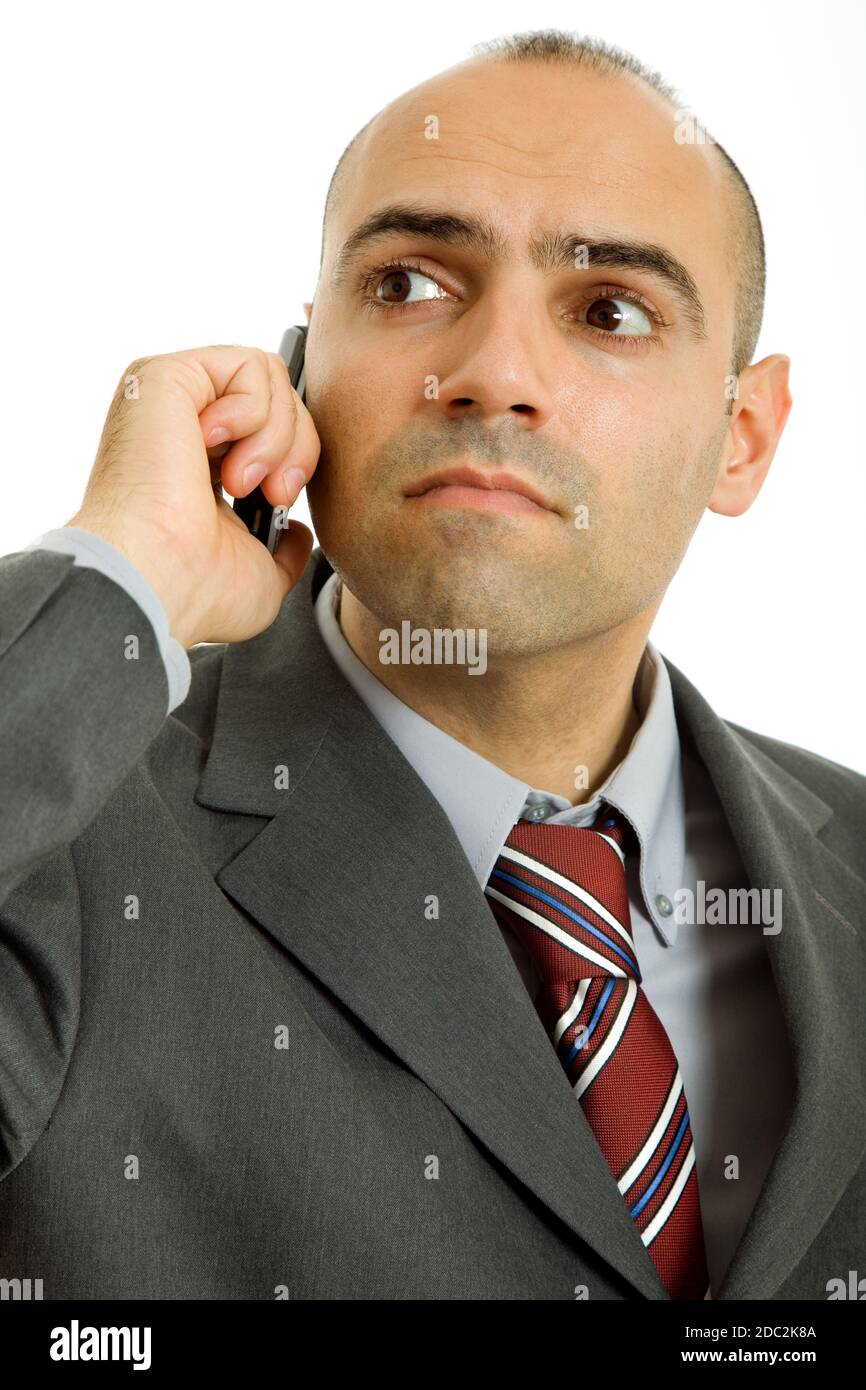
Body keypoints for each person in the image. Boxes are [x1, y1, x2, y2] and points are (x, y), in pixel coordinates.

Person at [1, 29, 864, 1303]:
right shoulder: (65, 850)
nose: (492, 375)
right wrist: (123, 573)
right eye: (408, 284)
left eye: (609, 309)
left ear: (740, 437)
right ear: (298, 370)